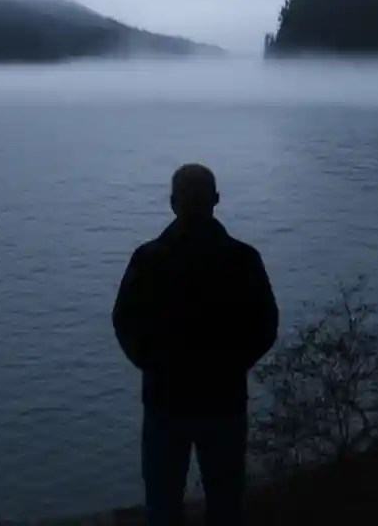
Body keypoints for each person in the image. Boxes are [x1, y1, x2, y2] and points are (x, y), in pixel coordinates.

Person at [112, 164, 279, 526]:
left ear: (172, 203)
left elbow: (125, 322)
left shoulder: (149, 258)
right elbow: (265, 326)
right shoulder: (243, 259)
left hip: (164, 399)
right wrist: (233, 365)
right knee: (225, 502)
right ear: (216, 200)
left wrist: (154, 364)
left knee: (163, 503)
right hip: (224, 400)